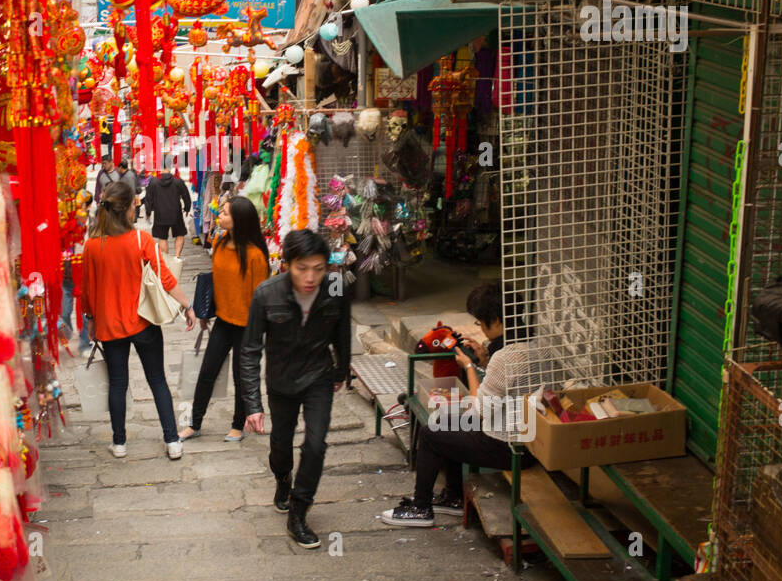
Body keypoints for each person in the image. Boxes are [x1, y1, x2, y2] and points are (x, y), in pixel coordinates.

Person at [379, 281, 540, 528]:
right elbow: (505, 387)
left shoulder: (506, 356)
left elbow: (479, 411)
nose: (481, 329)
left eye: (481, 322)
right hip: (529, 437)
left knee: (431, 434)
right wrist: (484, 359)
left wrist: (468, 366)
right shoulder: (535, 344)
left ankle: (421, 508)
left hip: (510, 446)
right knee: (445, 420)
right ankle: (453, 497)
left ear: (496, 320)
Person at [238, 229, 351, 549]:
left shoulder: (337, 288)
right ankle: (283, 479)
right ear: (287, 264)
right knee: (280, 445)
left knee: (316, 445)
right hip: (281, 380)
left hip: (319, 376)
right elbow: (249, 350)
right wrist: (253, 404)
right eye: (303, 268)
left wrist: (342, 370)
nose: (311, 277)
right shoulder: (266, 294)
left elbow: (343, 333)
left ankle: (299, 512)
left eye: (319, 268)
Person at [82, 181, 196, 460]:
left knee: (118, 384)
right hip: (143, 322)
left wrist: (90, 321)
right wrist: (187, 305)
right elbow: (165, 278)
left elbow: (87, 289)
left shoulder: (92, 246)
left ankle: (119, 443)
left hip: (110, 325)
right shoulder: (140, 240)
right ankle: (172, 440)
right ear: (128, 209)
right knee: (157, 379)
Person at [180, 196, 269, 442]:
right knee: (207, 372)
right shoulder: (219, 241)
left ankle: (238, 426)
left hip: (247, 327)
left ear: (239, 220)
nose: (220, 214)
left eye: (226, 213)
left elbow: (260, 298)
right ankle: (194, 424)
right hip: (223, 321)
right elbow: (218, 281)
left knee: (242, 378)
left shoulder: (255, 256)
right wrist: (205, 312)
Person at [143, 168, 193, 258]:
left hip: (160, 214)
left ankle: (165, 258)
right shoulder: (178, 181)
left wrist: (148, 212)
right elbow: (186, 195)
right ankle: (177, 256)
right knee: (180, 234)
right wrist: (187, 208)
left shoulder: (153, 182)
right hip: (176, 213)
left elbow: (148, 198)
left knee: (162, 237)